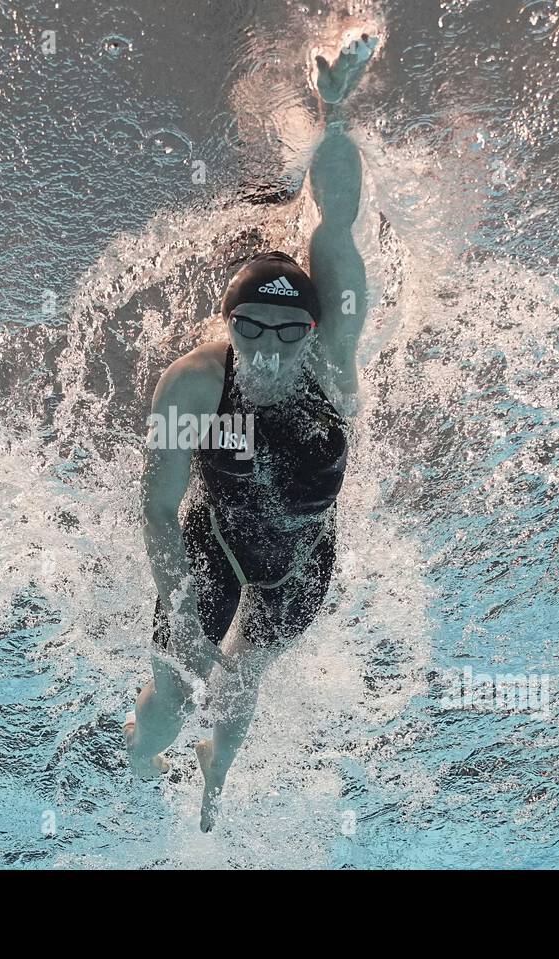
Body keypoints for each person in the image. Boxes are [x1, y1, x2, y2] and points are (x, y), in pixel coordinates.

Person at [125, 31, 380, 831]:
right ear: (230, 327)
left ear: (312, 325)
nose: (271, 349)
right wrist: (179, 600)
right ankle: (139, 760)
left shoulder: (332, 360)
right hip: (213, 543)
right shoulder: (197, 382)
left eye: (287, 330)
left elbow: (337, 222)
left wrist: (335, 117)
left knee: (241, 684)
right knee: (175, 686)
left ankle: (214, 773)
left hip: (305, 557)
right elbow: (158, 510)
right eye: (254, 331)